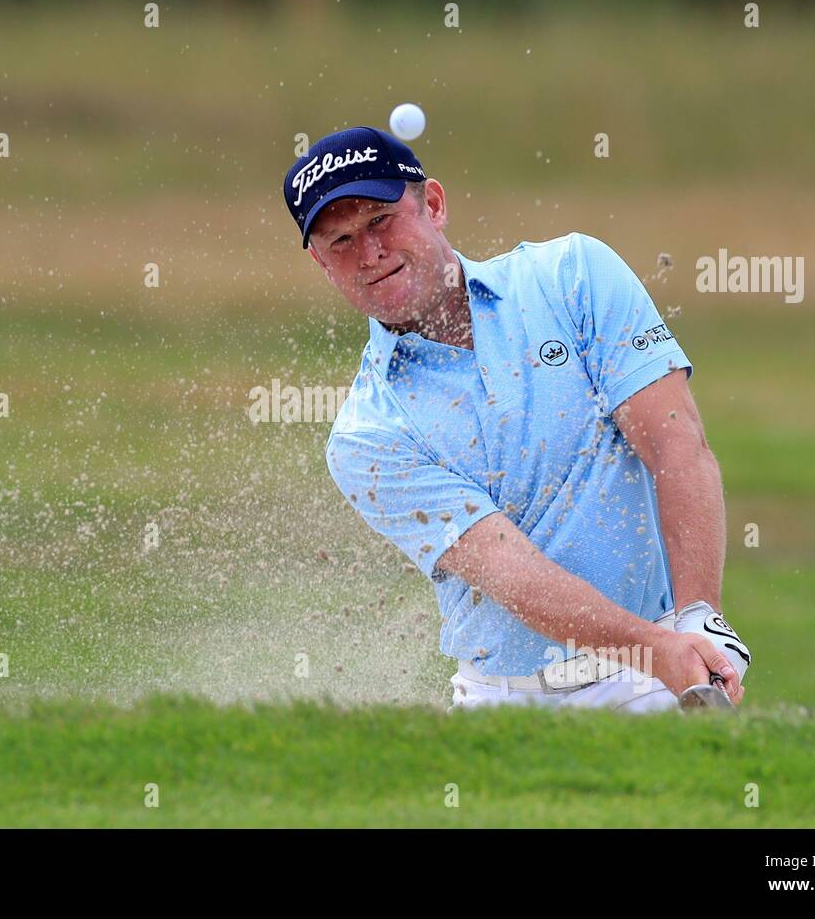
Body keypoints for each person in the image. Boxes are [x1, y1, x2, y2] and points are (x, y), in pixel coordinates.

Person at [281, 126, 750, 712]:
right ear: (323, 266)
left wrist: (700, 620)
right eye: (341, 240)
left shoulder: (572, 276)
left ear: (433, 204)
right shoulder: (366, 434)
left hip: (660, 672)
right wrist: (659, 649)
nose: (370, 252)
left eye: (380, 220)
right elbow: (512, 573)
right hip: (512, 704)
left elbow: (676, 443)